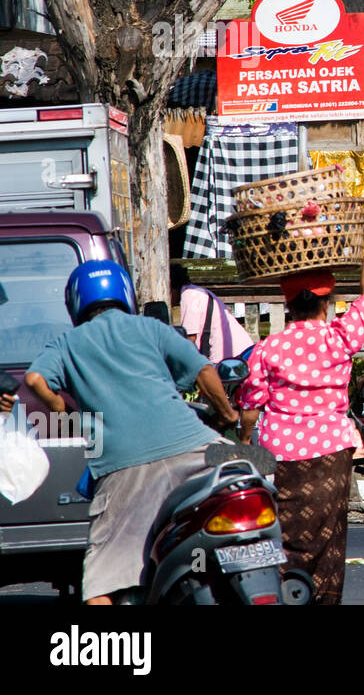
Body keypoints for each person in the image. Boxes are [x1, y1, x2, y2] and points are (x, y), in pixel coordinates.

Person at [12, 259, 239, 604]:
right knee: (254, 474)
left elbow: (34, 380)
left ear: (75, 303)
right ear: (125, 293)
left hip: (123, 468)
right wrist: (227, 414)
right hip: (198, 447)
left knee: (102, 584)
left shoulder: (67, 343)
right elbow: (203, 370)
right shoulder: (152, 328)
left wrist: (60, 409)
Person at [236, 218, 364, 605]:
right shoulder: (340, 336)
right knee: (327, 534)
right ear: (327, 302)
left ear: (287, 304)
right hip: (331, 450)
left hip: (278, 454)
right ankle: (322, 596)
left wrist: (246, 438)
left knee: (281, 532)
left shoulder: (267, 347)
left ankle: (279, 590)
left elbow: (250, 406)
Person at [170, 263, 255, 363]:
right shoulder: (197, 292)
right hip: (239, 352)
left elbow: (190, 339)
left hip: (233, 356)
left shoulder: (189, 295)